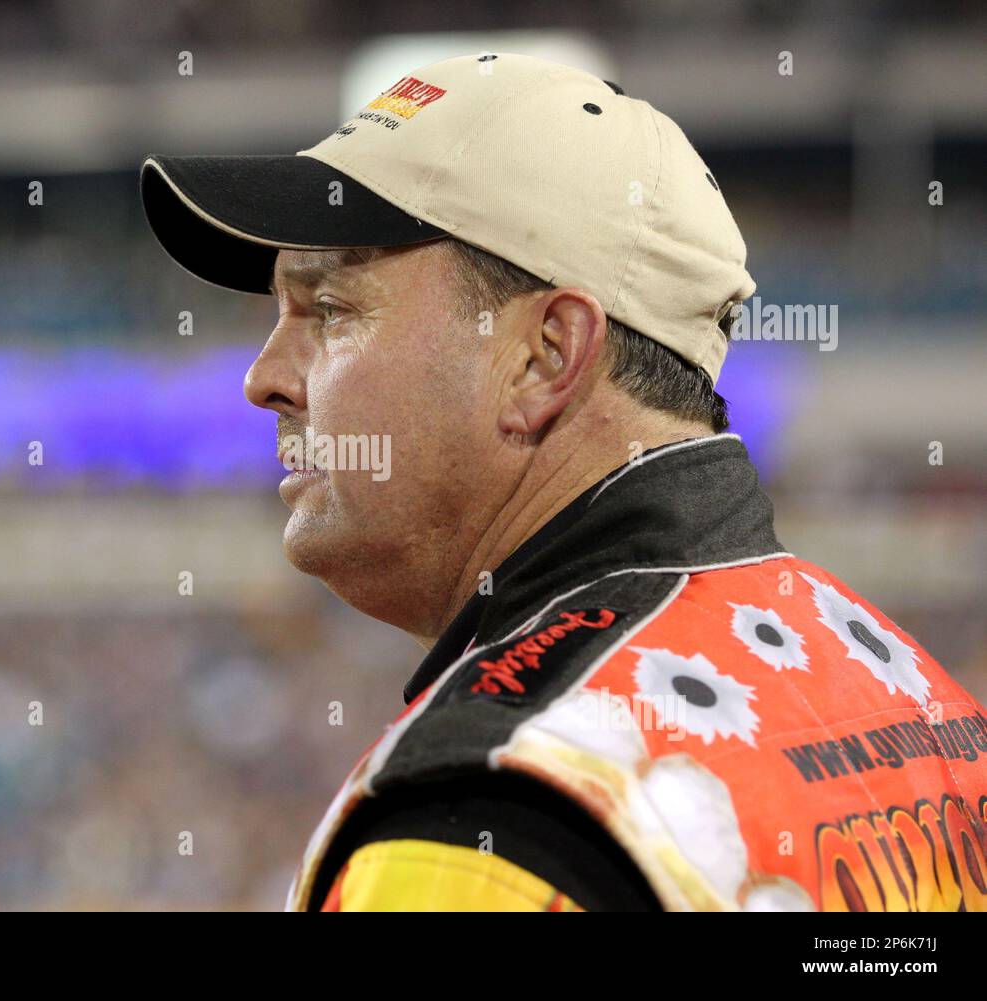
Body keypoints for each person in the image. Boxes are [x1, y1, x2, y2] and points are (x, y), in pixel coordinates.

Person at [141, 53, 987, 911]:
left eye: (330, 310)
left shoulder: (484, 825)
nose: (264, 378)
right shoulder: (926, 704)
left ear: (544, 358)